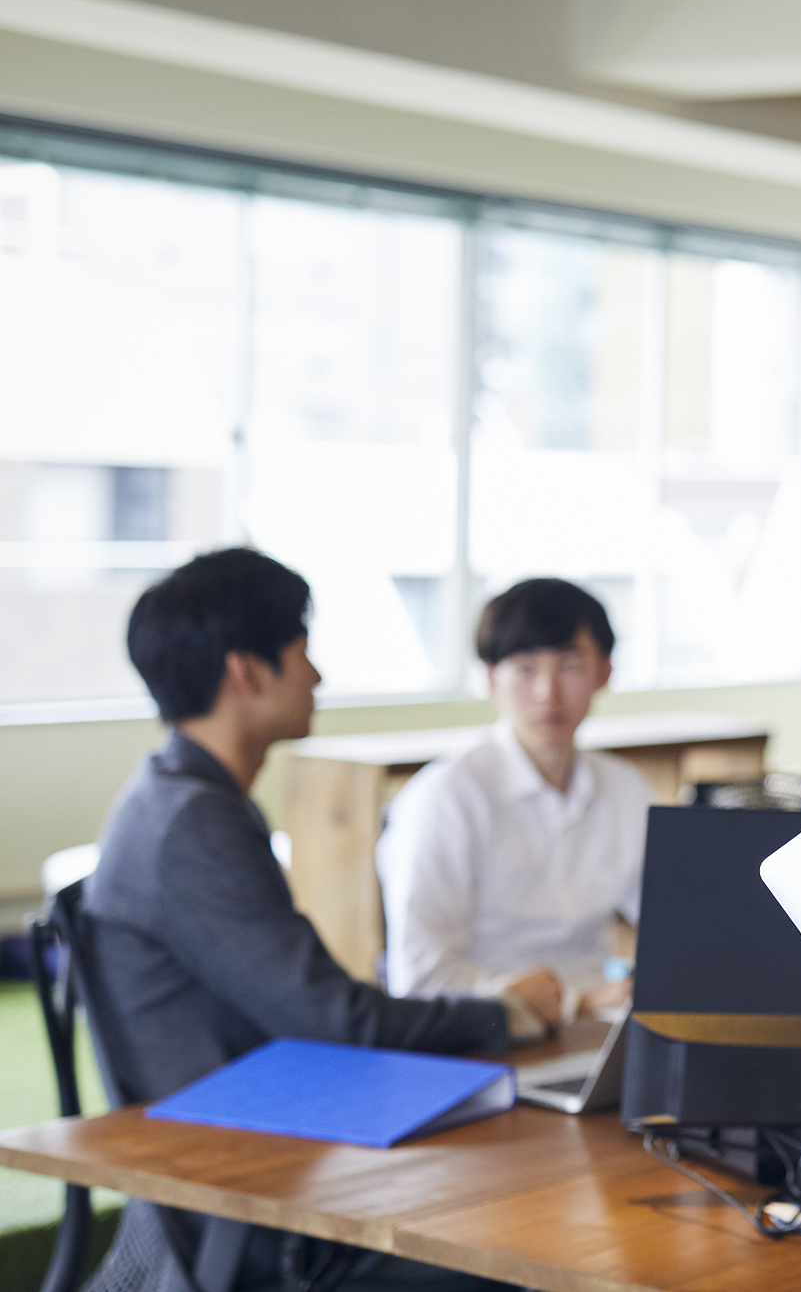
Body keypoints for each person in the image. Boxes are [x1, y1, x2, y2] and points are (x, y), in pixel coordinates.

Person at [81, 548, 530, 1292]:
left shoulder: (176, 794)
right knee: (523, 1242)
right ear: (246, 672)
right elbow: (339, 1019)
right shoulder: (192, 825)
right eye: (300, 651)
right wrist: (504, 1013)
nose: (316, 675)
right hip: (258, 1214)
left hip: (270, 1156)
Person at [378, 578, 649, 1017]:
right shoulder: (445, 797)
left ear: (604, 672)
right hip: (481, 1029)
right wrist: (576, 1003)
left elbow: (677, 925)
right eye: (524, 668)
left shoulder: (627, 790)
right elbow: (419, 980)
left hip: (602, 1024)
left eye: (570, 666)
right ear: (490, 677)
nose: (547, 693)